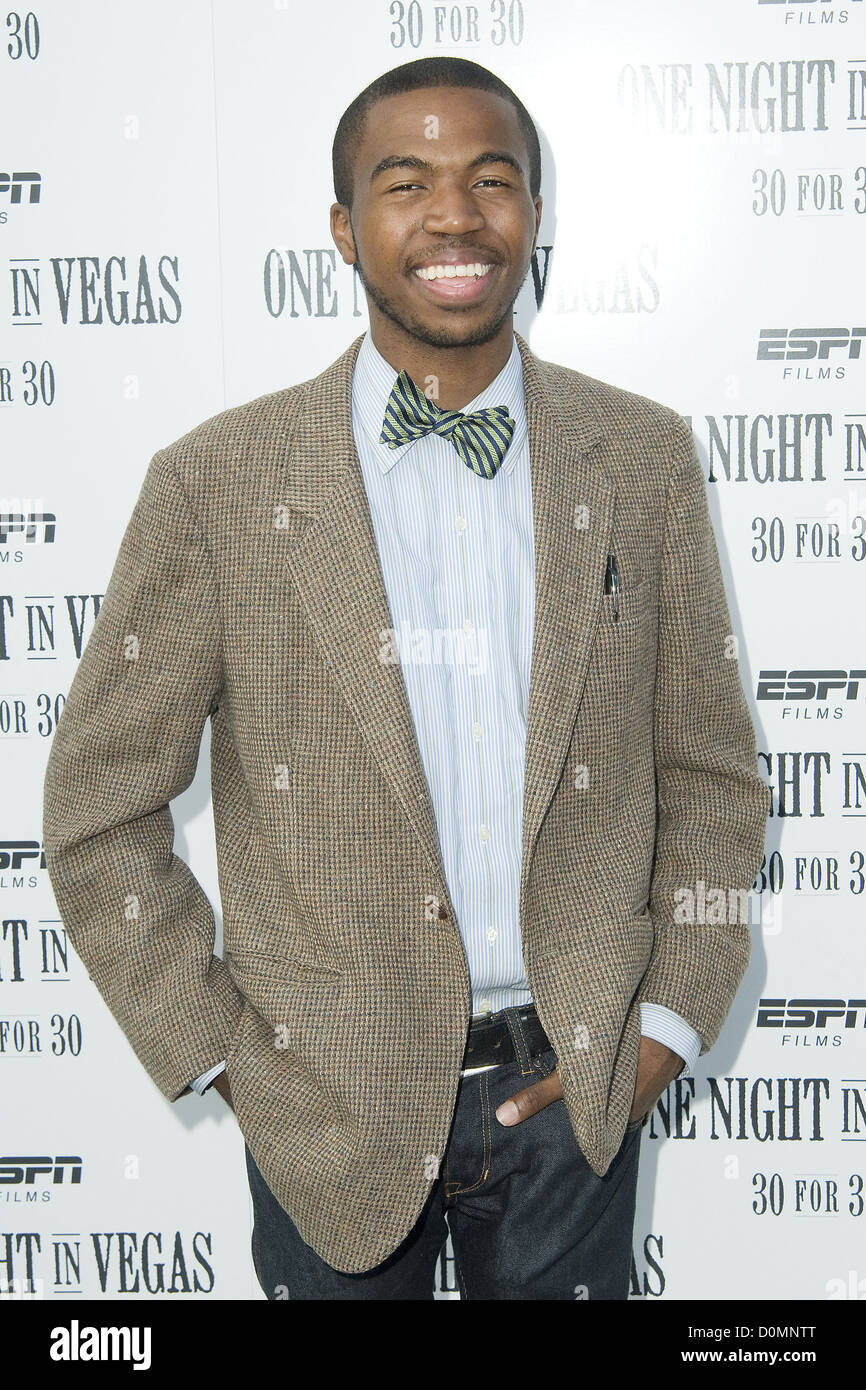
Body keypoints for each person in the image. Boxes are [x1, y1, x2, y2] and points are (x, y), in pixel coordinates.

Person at [42, 55, 771, 1300]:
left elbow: (708, 774)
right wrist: (229, 1060)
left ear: (534, 218)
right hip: (322, 1118)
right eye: (405, 182)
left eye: (493, 180)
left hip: (576, 1099)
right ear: (342, 227)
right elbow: (98, 807)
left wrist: (662, 1031)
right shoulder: (215, 483)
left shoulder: (640, 459)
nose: (453, 215)